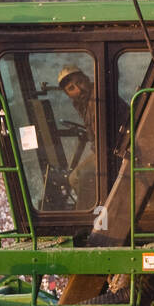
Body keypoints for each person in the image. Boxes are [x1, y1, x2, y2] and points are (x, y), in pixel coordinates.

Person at [58, 65, 96, 206]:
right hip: (103, 148)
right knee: (74, 177)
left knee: (79, 177)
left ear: (86, 79)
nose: (79, 90)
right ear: (67, 94)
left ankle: (91, 215)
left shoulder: (97, 98)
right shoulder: (83, 102)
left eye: (79, 82)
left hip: (115, 151)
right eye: (71, 88)